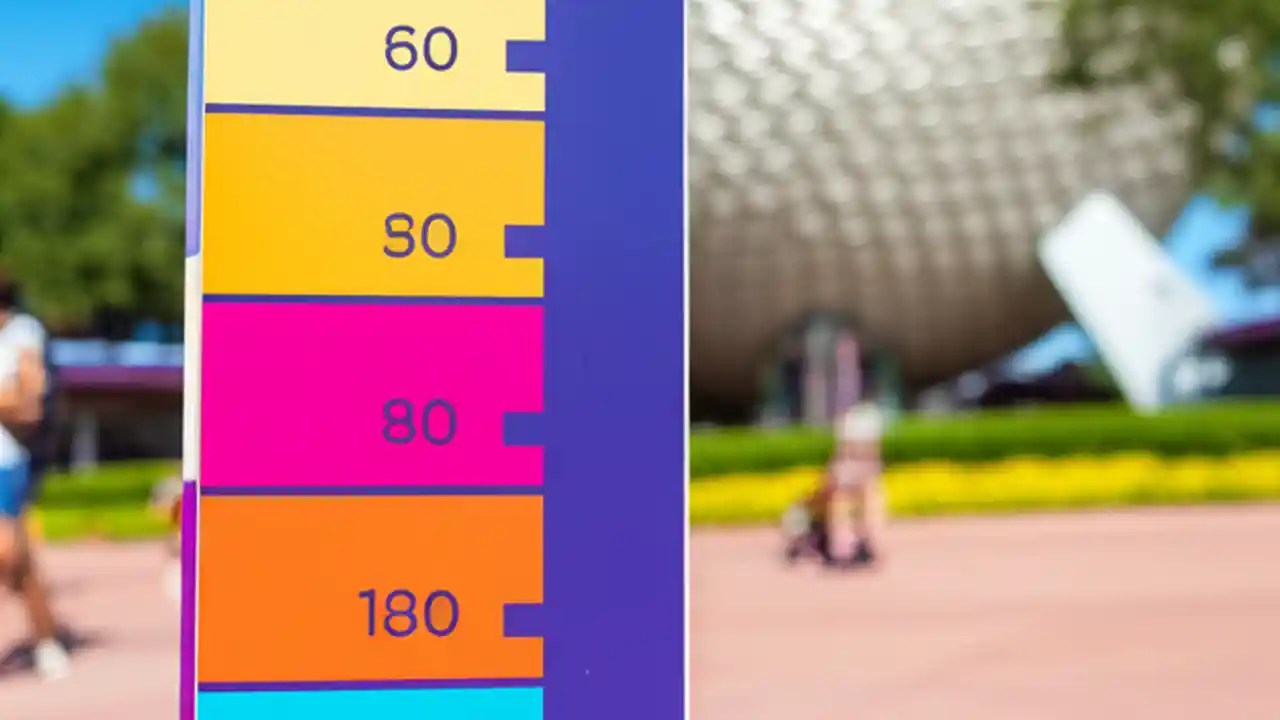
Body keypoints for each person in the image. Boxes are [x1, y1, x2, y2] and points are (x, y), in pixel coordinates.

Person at [0, 274, 70, 681]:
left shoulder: (23, 333)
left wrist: (10, 399)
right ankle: (46, 640)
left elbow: (29, 407)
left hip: (6, 462)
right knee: (19, 560)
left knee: (12, 555)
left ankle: (45, 640)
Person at [828, 398, 887, 567]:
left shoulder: (848, 420)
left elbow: (842, 450)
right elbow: (874, 450)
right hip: (862, 468)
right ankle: (864, 544)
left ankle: (844, 547)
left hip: (848, 468)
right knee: (868, 508)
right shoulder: (869, 418)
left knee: (843, 510)